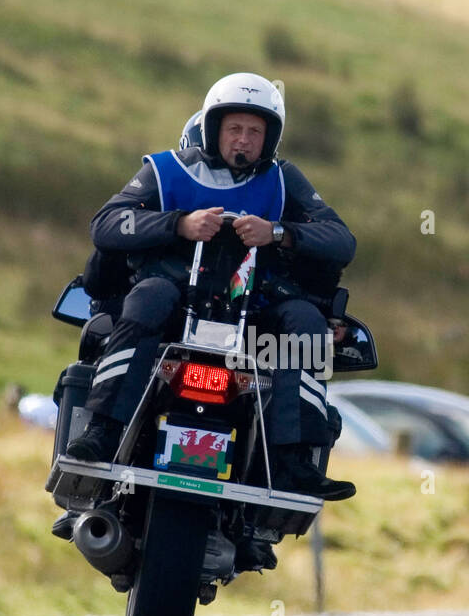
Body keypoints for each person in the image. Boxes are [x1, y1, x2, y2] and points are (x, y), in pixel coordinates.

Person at [66, 72, 356, 506]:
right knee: (148, 297)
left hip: (252, 313)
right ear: (212, 127)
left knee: (306, 321)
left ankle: (295, 464)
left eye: (254, 132)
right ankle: (103, 433)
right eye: (235, 129)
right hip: (173, 303)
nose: (243, 141)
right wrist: (178, 224)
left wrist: (278, 233)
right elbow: (106, 224)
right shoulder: (164, 169)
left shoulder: (284, 179)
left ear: (270, 137)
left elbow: (341, 240)